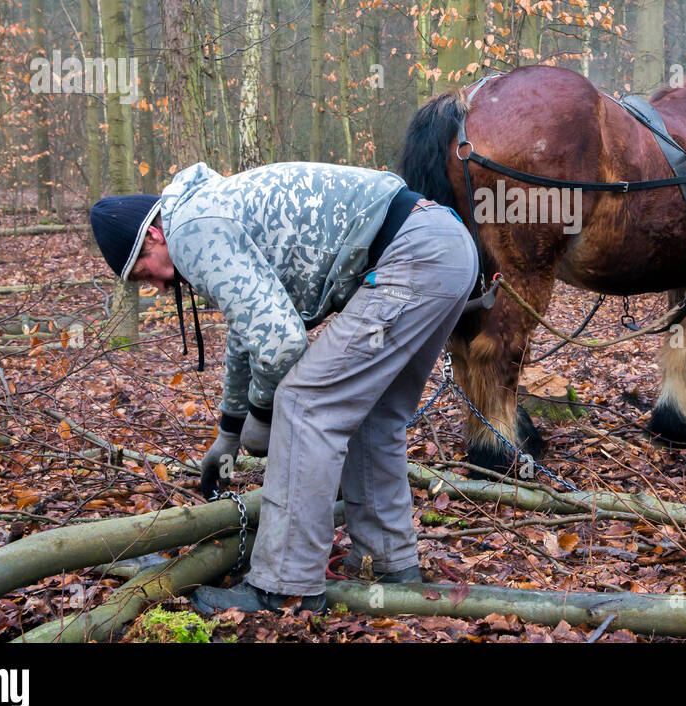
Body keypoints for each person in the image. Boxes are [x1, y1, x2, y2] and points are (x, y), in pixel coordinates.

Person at [88, 161, 478, 614]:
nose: (157, 284)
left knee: (306, 403)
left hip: (410, 258)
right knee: (371, 414)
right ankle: (387, 564)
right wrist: (230, 432)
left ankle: (283, 588)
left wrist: (264, 415)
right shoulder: (208, 212)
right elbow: (246, 332)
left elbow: (280, 343)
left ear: (153, 236)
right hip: (444, 248)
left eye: (144, 272)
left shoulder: (191, 229)